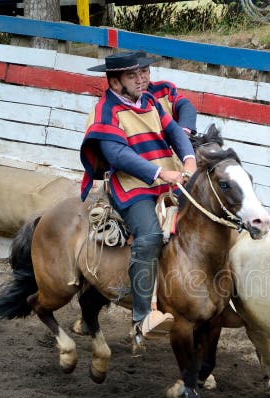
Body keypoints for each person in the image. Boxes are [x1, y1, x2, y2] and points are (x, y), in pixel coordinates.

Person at [79, 51, 197, 342]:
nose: (141, 79)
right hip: (131, 187)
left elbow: (174, 132)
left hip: (168, 178)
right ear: (115, 81)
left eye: (142, 73)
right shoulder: (104, 111)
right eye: (132, 75)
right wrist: (160, 174)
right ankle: (142, 317)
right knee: (150, 237)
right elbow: (117, 155)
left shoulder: (151, 101)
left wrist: (190, 159)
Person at [133, 51, 198, 136]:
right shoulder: (121, 100)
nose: (141, 77)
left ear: (149, 72)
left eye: (144, 71)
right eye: (135, 73)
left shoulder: (164, 89)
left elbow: (185, 105)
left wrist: (183, 132)